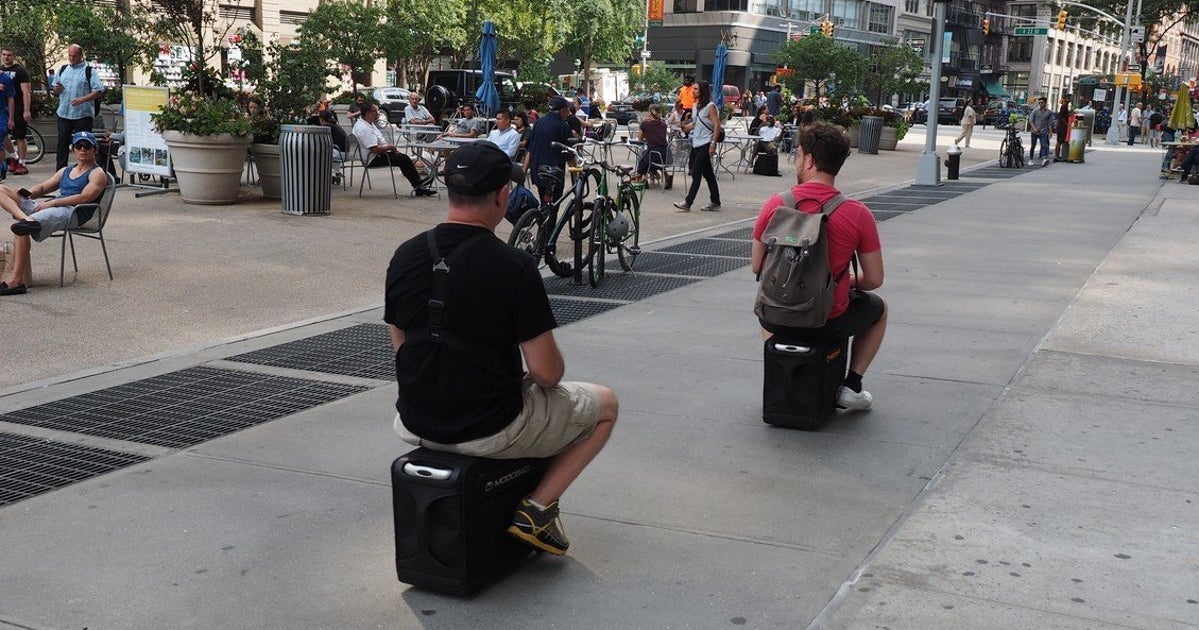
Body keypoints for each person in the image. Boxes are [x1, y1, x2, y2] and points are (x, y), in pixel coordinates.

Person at [384, 141, 618, 556]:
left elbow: (401, 342)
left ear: (450, 190)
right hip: (490, 428)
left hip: (415, 420)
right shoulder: (513, 265)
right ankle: (537, 509)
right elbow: (548, 373)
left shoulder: (406, 254)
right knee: (603, 405)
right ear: (502, 196)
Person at [750, 122, 886, 410]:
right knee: (878, 309)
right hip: (826, 320)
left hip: (776, 317)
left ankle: (781, 364)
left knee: (767, 300)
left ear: (809, 160)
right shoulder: (857, 213)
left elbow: (756, 266)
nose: (797, 161)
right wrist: (839, 282)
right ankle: (852, 386)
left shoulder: (775, 204)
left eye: (798, 155)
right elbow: (874, 279)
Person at [0, 131, 106, 295]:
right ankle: (26, 218)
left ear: (95, 150)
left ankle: (15, 281)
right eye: (79, 146)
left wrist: (53, 202)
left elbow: (84, 197)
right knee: (1, 190)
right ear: (73, 150)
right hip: (54, 207)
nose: (83, 149)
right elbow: (43, 187)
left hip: (73, 212)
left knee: (21, 228)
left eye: (87, 146)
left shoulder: (97, 173)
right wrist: (28, 193)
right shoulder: (65, 171)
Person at [352, 102, 436, 196]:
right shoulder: (364, 128)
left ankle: (418, 186)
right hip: (373, 158)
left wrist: (392, 149)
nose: (378, 113)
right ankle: (418, 185)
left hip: (377, 154)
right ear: (368, 113)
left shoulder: (367, 123)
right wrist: (390, 147)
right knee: (402, 159)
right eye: (375, 111)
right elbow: (374, 149)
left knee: (403, 158)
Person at [52, 44, 104, 172]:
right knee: (62, 143)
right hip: (64, 112)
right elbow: (54, 88)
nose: (71, 58)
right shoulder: (63, 69)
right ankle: (60, 171)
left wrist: (83, 99)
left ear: (81, 56)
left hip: (82, 114)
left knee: (83, 143)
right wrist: (56, 89)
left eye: (74, 56)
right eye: (70, 55)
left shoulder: (89, 71)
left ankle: (86, 169)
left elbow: (98, 90)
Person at [673, 81, 721, 213]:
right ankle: (715, 201)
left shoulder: (710, 107)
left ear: (702, 91)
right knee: (708, 174)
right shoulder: (695, 106)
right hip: (696, 142)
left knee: (696, 172)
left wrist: (713, 144)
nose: (693, 91)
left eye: (696, 89)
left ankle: (688, 202)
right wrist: (684, 126)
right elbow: (694, 124)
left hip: (706, 143)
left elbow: (717, 125)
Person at [522, 95, 573, 203]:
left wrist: (523, 172)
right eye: (567, 109)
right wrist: (576, 175)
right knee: (554, 205)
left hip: (538, 171)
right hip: (555, 173)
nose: (569, 111)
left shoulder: (538, 123)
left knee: (544, 202)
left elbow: (530, 150)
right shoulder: (563, 126)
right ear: (562, 111)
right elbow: (570, 154)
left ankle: (542, 217)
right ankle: (550, 219)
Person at [2, 47, 33, 176]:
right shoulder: (1, 71)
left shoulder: (20, 71)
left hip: (18, 107)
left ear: (14, 55)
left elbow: (26, 92)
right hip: (4, 108)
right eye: (4, 54)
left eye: (9, 55)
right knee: (2, 135)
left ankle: (22, 162)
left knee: (20, 136)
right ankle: (14, 157)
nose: (6, 57)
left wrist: (26, 110)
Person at [634, 103, 670, 184]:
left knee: (643, 156)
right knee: (646, 155)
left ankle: (642, 177)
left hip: (654, 155)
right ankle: (665, 176)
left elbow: (639, 138)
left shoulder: (645, 124)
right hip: (666, 155)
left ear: (650, 113)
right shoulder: (663, 124)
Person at [317, 110, 348, 183]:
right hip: (345, 153)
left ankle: (330, 174)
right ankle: (334, 172)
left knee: (318, 154)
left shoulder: (326, 127)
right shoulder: (335, 126)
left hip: (339, 154)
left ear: (321, 119)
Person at [1028, 96, 1052, 167]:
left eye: (1042, 103)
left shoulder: (1048, 112)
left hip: (1043, 131)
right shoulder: (1035, 111)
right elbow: (1030, 120)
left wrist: (1051, 132)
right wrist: (1034, 128)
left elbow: (1049, 122)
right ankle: (1031, 159)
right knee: (1033, 146)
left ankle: (1044, 159)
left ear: (1045, 103)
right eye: (1039, 103)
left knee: (1044, 145)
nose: (1040, 104)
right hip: (1034, 132)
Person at [0, 66, 12, 180]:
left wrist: (11, 118)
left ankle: (2, 169)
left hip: (2, 114)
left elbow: (10, 99)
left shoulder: (6, 78)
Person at [1053, 96, 1072, 161]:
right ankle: (1056, 156)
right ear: (1066, 99)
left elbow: (1064, 115)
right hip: (1061, 127)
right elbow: (1061, 117)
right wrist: (1067, 124)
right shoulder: (1064, 106)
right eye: (1069, 98)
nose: (1070, 99)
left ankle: (1058, 155)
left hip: (1062, 126)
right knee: (1059, 141)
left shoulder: (1065, 106)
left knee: (1061, 141)